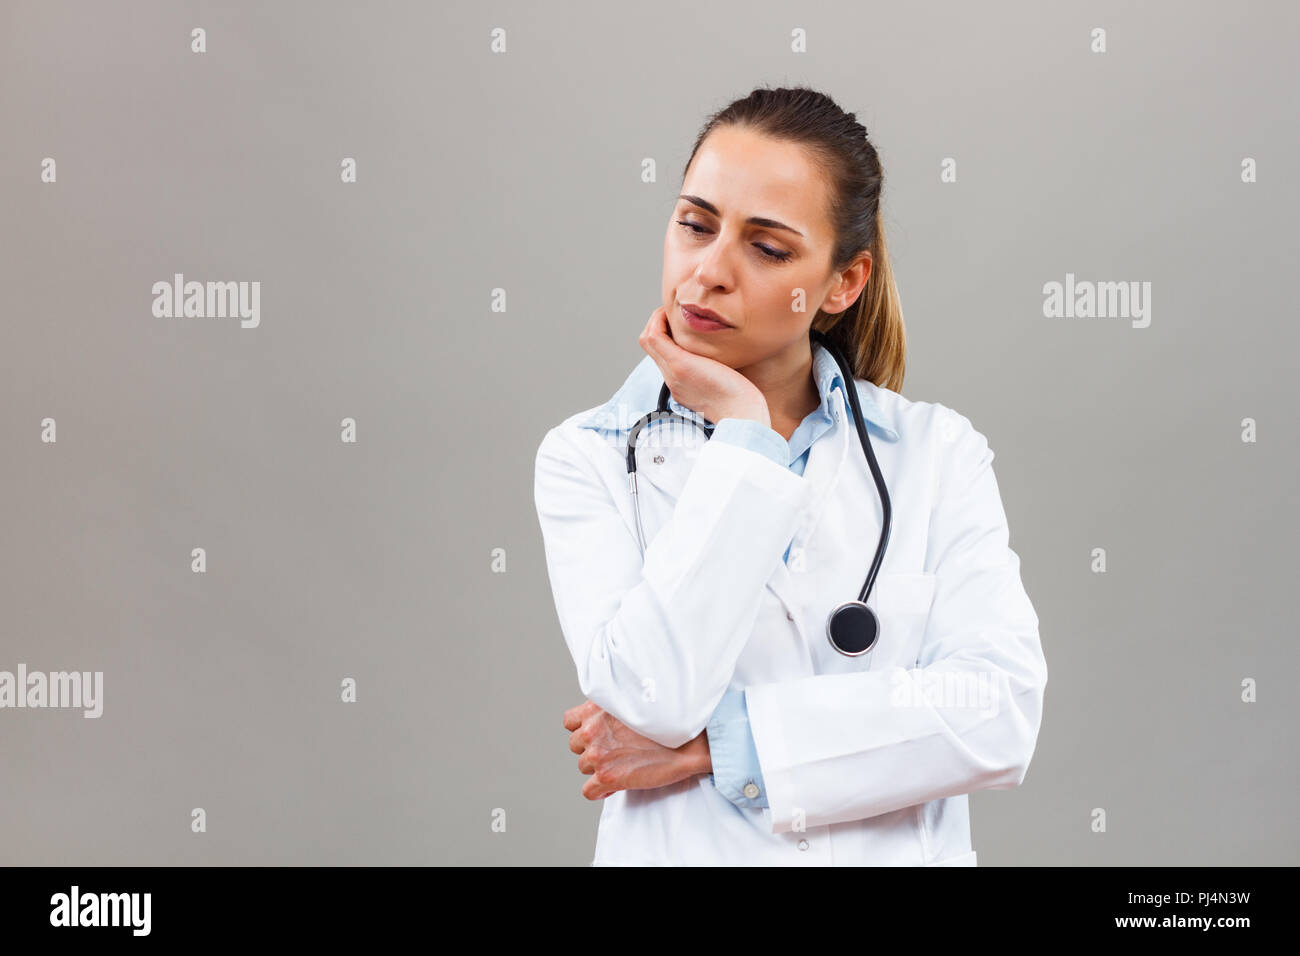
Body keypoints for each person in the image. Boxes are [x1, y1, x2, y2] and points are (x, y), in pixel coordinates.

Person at [533, 86, 1047, 866]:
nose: (707, 272)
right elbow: (650, 699)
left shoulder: (937, 454)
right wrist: (744, 437)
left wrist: (722, 745)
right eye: (694, 224)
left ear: (842, 284)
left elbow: (996, 713)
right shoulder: (592, 456)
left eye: (766, 248)